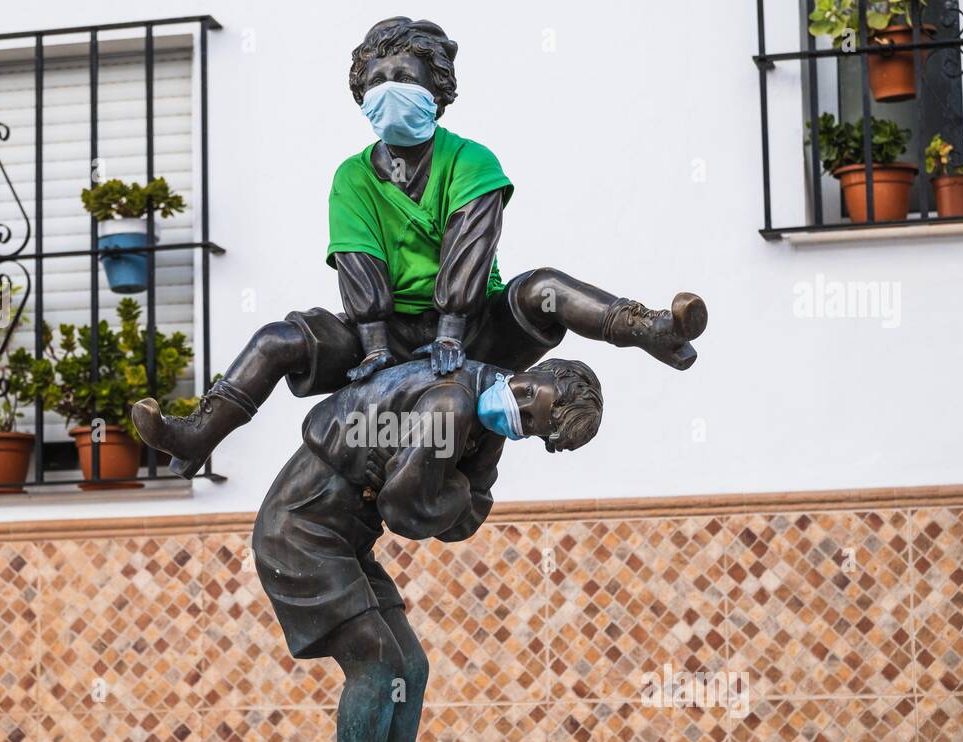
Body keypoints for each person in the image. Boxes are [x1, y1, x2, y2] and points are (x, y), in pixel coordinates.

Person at [131, 16, 705, 479]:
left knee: (545, 288)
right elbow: (359, 265)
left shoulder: (469, 160)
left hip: (476, 325)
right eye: (376, 82)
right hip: (383, 334)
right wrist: (375, 347)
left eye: (404, 79)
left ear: (437, 91)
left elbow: (470, 249)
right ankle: (204, 428)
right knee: (279, 340)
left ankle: (647, 328)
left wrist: (453, 334)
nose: (388, 93)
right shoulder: (352, 177)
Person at [251, 355, 603, 742]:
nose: (515, 407)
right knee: (374, 660)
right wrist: (444, 488)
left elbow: (464, 520)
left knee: (411, 665)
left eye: (529, 421)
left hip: (347, 542)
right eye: (526, 393)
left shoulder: (487, 429)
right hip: (299, 531)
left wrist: (435, 487)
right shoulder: (451, 403)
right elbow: (404, 510)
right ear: (535, 373)